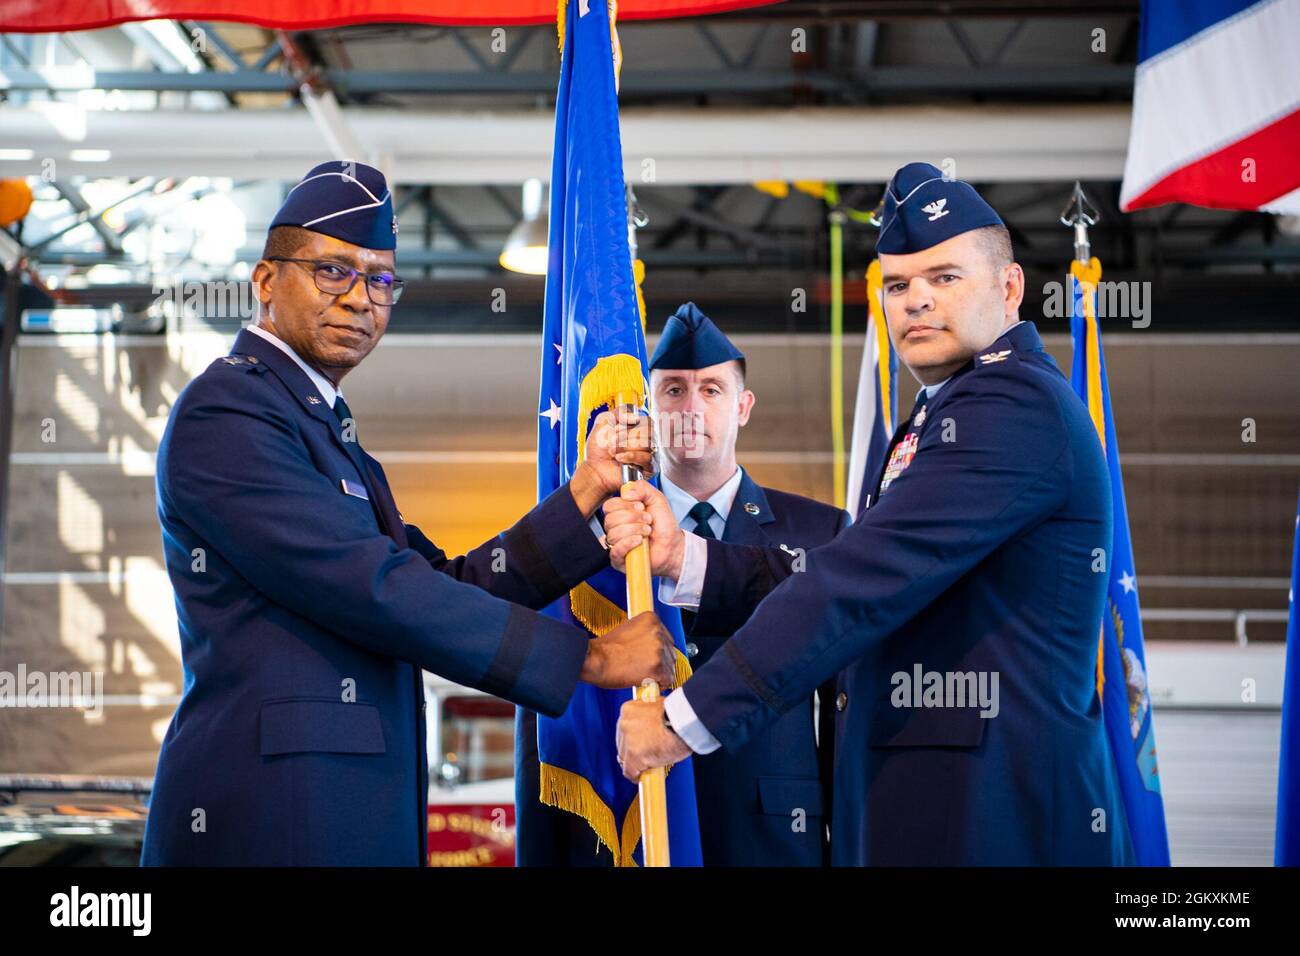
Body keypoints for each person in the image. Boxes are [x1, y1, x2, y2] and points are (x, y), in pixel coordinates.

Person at [141, 161, 673, 866]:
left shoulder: (328, 433)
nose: (361, 299)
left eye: (381, 279)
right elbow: (375, 588)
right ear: (265, 282)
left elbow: (443, 582)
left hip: (345, 820)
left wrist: (582, 496)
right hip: (275, 821)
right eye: (333, 271)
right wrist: (592, 655)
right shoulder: (229, 411)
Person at [606, 162, 1135, 866]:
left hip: (994, 824)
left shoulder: (1012, 407)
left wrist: (684, 720)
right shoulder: (945, 409)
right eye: (896, 284)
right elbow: (848, 568)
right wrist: (686, 560)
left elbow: (858, 582)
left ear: (1009, 289)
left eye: (944, 278)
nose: (915, 300)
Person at [515, 303, 847, 866]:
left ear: (743, 407)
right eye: (671, 391)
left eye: (712, 390)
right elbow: (546, 704)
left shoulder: (818, 530)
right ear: (647, 408)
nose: (691, 408)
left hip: (769, 835)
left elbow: (841, 706)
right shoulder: (591, 530)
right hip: (630, 827)